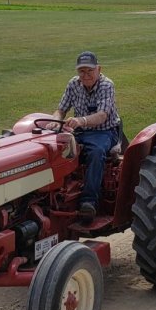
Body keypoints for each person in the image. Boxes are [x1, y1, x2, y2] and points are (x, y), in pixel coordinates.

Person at [52, 51, 120, 219]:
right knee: (55, 148)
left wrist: (81, 120)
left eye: (90, 71)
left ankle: (89, 202)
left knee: (96, 152)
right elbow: (61, 109)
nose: (86, 75)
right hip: (80, 131)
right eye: (82, 71)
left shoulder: (106, 85)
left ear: (98, 69)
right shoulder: (73, 84)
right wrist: (55, 120)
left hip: (104, 132)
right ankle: (56, 193)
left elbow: (102, 115)